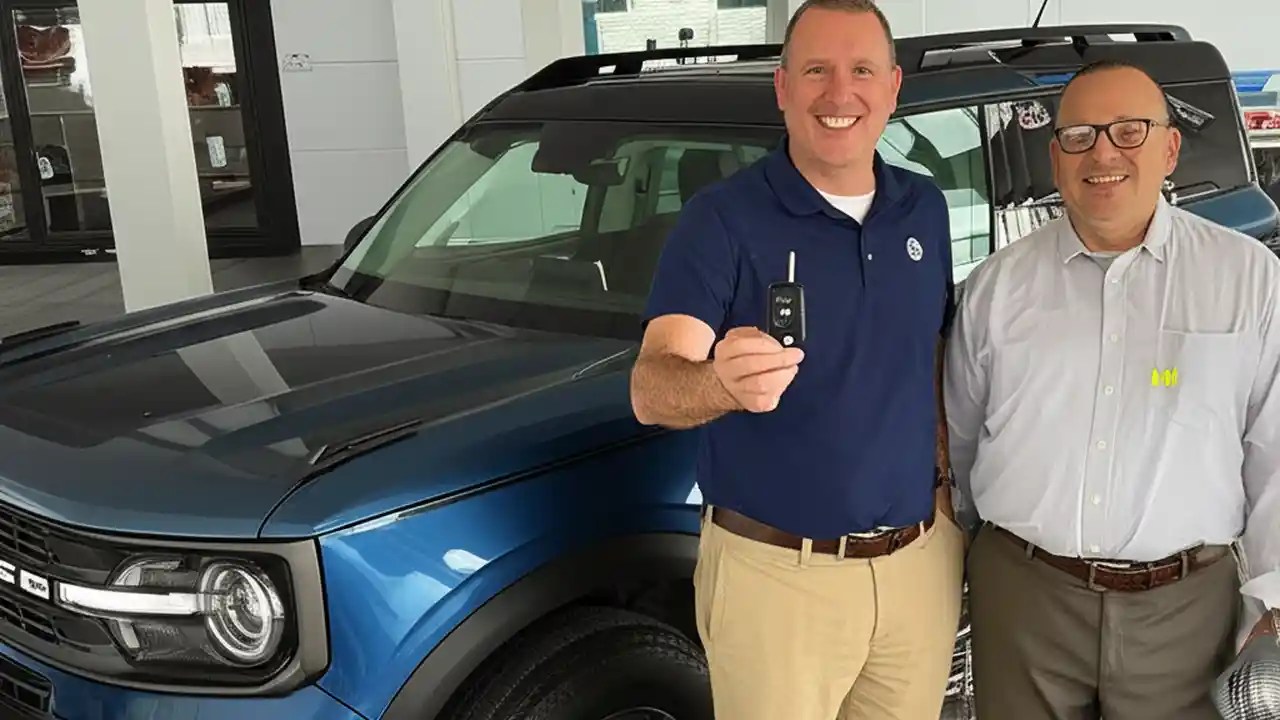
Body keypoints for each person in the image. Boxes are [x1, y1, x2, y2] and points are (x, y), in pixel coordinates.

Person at [629, 1, 965, 718]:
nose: (840, 95)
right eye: (816, 71)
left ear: (893, 87)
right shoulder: (722, 219)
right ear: (782, 87)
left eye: (861, 71)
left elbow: (928, 355)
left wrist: (941, 490)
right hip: (777, 578)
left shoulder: (924, 209)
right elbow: (653, 388)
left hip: (916, 568)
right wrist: (718, 383)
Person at [943, 58, 1280, 720]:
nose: (1103, 152)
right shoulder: (998, 288)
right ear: (1056, 156)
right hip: (1024, 602)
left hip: (1187, 610)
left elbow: (1274, 449)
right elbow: (957, 447)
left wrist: (1275, 603)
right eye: (1081, 135)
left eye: (1130, 131)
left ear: (1170, 148)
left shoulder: (1248, 279)